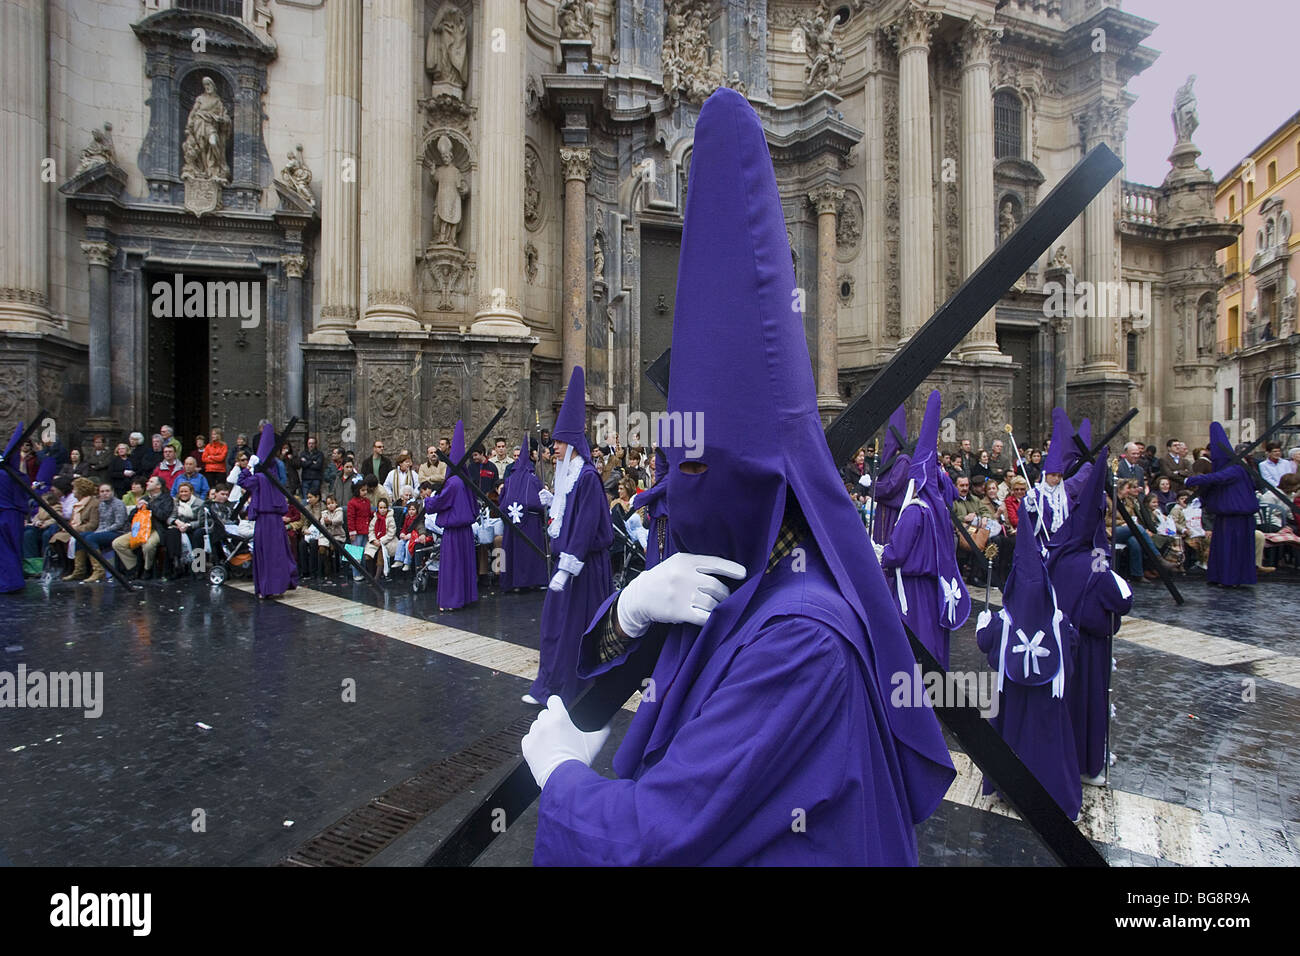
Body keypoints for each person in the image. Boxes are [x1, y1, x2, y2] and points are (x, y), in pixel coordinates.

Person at [525, 92, 953, 865]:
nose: (673, 493)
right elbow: (660, 662)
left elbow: (657, 839)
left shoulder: (800, 638)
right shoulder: (745, 576)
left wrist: (560, 781)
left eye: (693, 467)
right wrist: (626, 609)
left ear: (748, 478)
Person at [977, 487, 1081, 820]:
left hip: (1015, 699)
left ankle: (1012, 788)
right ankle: (1054, 792)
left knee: (1014, 738)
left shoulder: (1005, 619)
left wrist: (982, 624)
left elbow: (985, 645)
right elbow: (1072, 648)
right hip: (1047, 700)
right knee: (1049, 742)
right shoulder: (1057, 620)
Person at [523, 365, 614, 708]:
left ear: (574, 444)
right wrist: (552, 504)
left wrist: (567, 565)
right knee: (554, 627)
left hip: (584, 570)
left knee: (574, 629)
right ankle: (549, 684)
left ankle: (571, 688)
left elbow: (588, 524)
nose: (554, 449)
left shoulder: (587, 476)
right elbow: (566, 517)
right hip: (568, 567)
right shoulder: (567, 477)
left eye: (559, 442)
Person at [1047, 448, 1133, 784]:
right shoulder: (1097, 564)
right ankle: (1086, 763)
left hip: (1060, 646)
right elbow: (1122, 601)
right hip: (1089, 648)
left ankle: (1060, 757)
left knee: (1065, 703)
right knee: (1088, 705)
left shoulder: (1056, 555)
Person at [880, 390, 971, 669]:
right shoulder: (938, 510)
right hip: (934, 589)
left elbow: (894, 555)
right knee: (933, 646)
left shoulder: (913, 512)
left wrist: (875, 553)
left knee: (914, 651)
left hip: (913, 592)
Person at [1185, 423, 1258, 588]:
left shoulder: (1235, 469)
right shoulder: (1235, 468)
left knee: (1232, 547)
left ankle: (1231, 578)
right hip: (1226, 515)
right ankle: (1219, 575)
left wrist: (1190, 480)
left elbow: (1216, 478)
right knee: (1222, 546)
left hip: (1237, 515)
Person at [237, 424, 299, 598]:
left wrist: (249, 467)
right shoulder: (274, 476)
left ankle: (267, 588)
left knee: (267, 553)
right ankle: (276, 586)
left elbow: (242, 481)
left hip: (265, 521)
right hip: (276, 521)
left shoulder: (259, 477)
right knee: (277, 553)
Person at [423, 421, 477, 610]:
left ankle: (452, 601)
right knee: (464, 565)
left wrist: (428, 501)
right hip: (466, 531)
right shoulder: (465, 481)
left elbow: (440, 502)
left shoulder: (453, 483)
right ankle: (466, 597)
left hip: (454, 532)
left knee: (453, 567)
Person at [500, 433, 549, 590]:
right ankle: (533, 581)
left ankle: (515, 583)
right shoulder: (533, 479)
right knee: (530, 553)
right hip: (531, 523)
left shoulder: (509, 479)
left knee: (515, 553)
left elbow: (503, 502)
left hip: (512, 523)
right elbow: (540, 500)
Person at [112, 476, 173, 579]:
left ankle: (147, 569)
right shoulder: (144, 498)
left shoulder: (166, 498)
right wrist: (136, 508)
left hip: (157, 529)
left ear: (158, 486)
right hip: (141, 529)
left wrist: (150, 506)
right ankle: (134, 568)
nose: (148, 483)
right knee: (117, 543)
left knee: (148, 545)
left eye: (151, 481)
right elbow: (131, 518)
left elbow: (163, 516)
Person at [871, 405, 910, 547]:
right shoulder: (891, 458)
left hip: (892, 512)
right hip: (884, 508)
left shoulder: (903, 460)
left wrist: (873, 487)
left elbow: (892, 487)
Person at [81, 482, 128, 584]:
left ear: (112, 492)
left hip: (118, 532)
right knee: (81, 536)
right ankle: (80, 570)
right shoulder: (102, 504)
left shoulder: (118, 503)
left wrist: (101, 532)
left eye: (107, 491)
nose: (105, 493)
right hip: (106, 531)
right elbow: (102, 522)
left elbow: (119, 523)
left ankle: (99, 570)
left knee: (91, 538)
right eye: (102, 491)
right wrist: (98, 531)